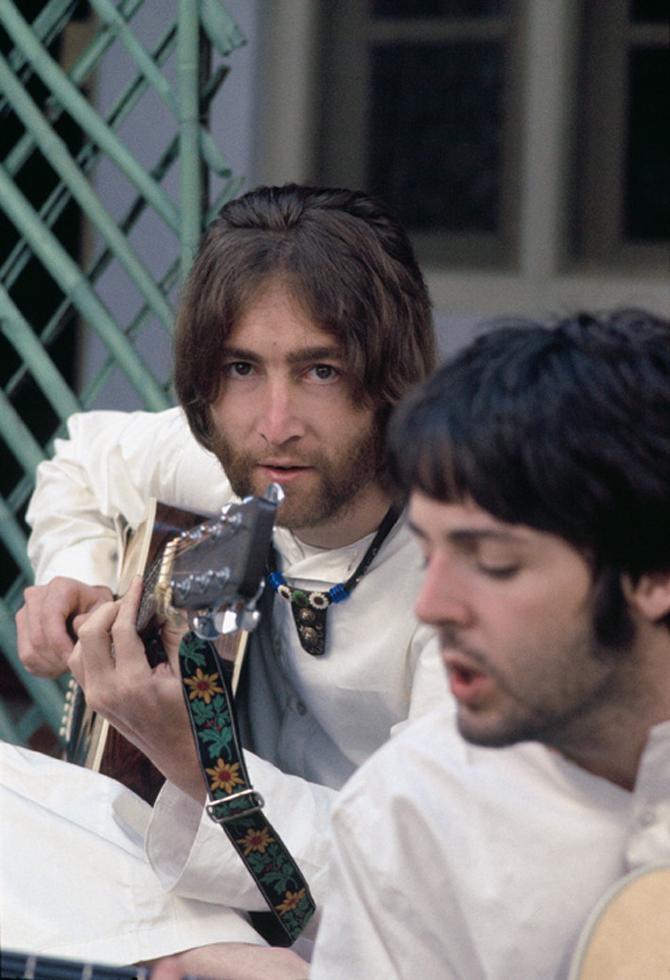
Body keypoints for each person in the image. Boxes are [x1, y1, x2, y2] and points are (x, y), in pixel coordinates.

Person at [12, 183, 446, 971]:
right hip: (210, 878)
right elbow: (78, 462)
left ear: (391, 374)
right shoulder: (235, 466)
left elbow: (424, 881)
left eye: (320, 371)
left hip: (367, 927)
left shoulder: (464, 575)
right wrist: (80, 578)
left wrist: (199, 759)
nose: (275, 423)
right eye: (242, 368)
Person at [308, 309, 670, 979]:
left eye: (494, 563)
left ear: (652, 574)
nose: (432, 606)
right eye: (427, 553)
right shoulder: (410, 816)